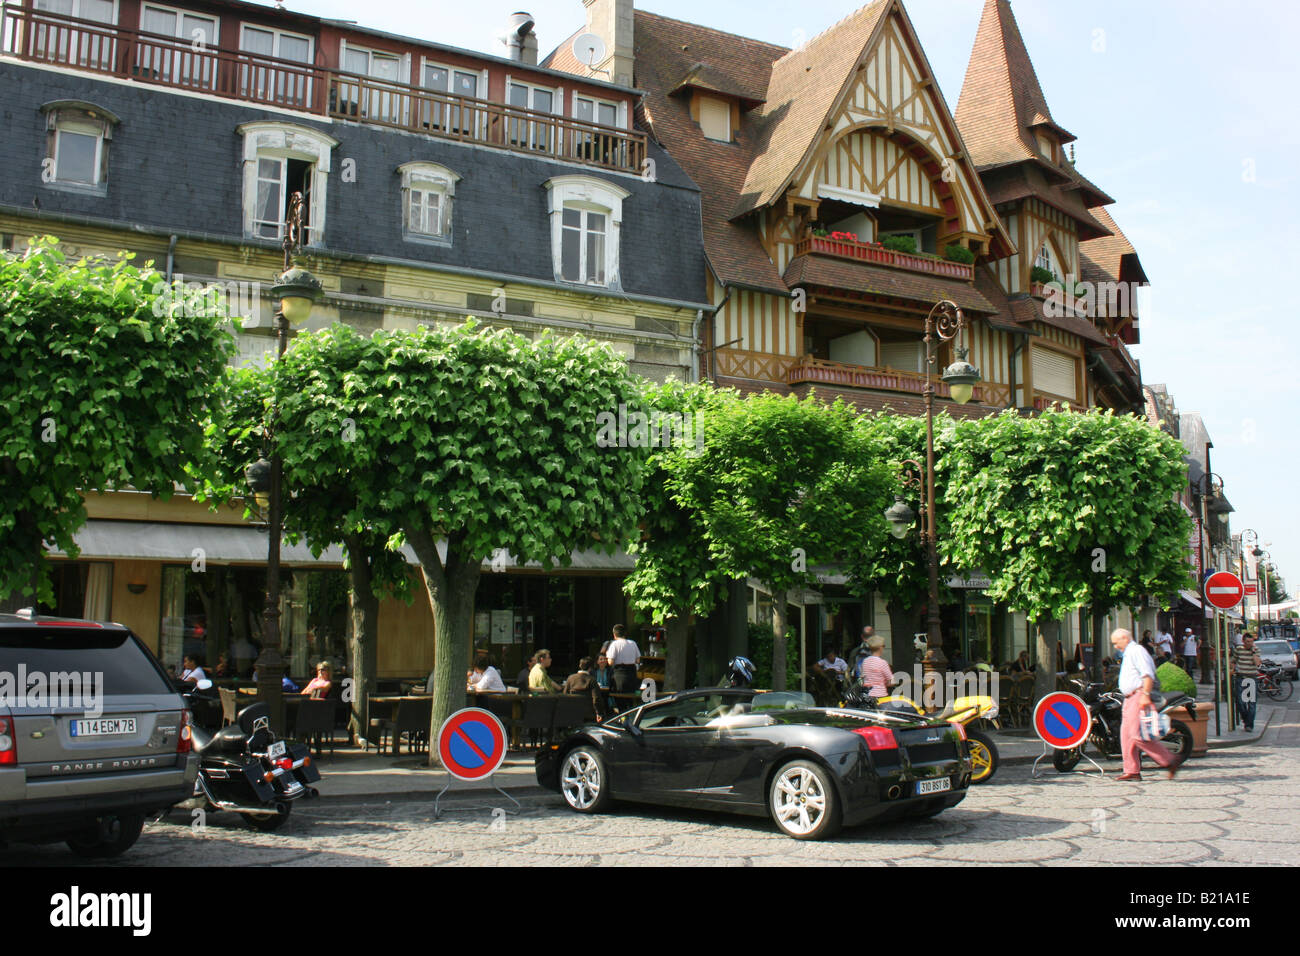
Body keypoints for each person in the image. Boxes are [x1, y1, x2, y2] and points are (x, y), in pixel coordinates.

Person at [1109, 627, 1182, 781]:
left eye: (1116, 643)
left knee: (1138, 735)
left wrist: (1145, 695)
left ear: (1124, 638)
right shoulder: (1129, 653)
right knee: (1126, 736)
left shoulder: (1137, 651)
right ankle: (1131, 770)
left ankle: (1169, 760)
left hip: (1139, 695)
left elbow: (1147, 674)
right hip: (1129, 697)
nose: (1115, 646)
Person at [1232, 632, 1263, 733]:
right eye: (1247, 641)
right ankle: (1246, 719)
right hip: (1241, 677)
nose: (1249, 643)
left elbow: (1257, 663)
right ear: (1243, 641)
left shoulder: (1256, 649)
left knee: (1251, 702)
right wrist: (1231, 669)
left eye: (1251, 641)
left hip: (1252, 678)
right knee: (1240, 701)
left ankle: (1249, 725)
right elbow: (1233, 661)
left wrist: (1253, 652)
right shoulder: (1239, 649)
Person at [606, 624, 641, 695]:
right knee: (631, 698)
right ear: (625, 633)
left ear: (614, 634)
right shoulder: (633, 643)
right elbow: (638, 660)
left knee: (620, 698)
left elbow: (610, 662)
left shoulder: (614, 644)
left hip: (619, 674)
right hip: (632, 674)